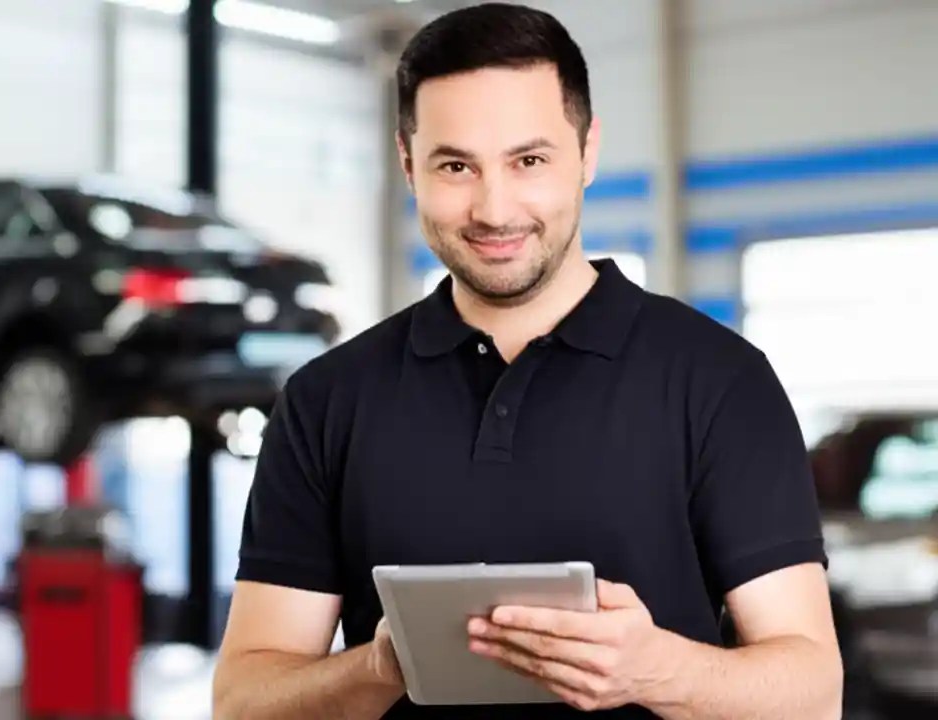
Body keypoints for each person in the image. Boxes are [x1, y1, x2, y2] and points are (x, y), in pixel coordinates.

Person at [212, 4, 842, 719]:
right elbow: (243, 703)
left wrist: (655, 670)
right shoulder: (327, 400)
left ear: (588, 152)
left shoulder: (721, 381)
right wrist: (386, 663)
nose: (494, 208)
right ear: (408, 164)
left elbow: (813, 692)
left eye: (529, 160)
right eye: (456, 165)